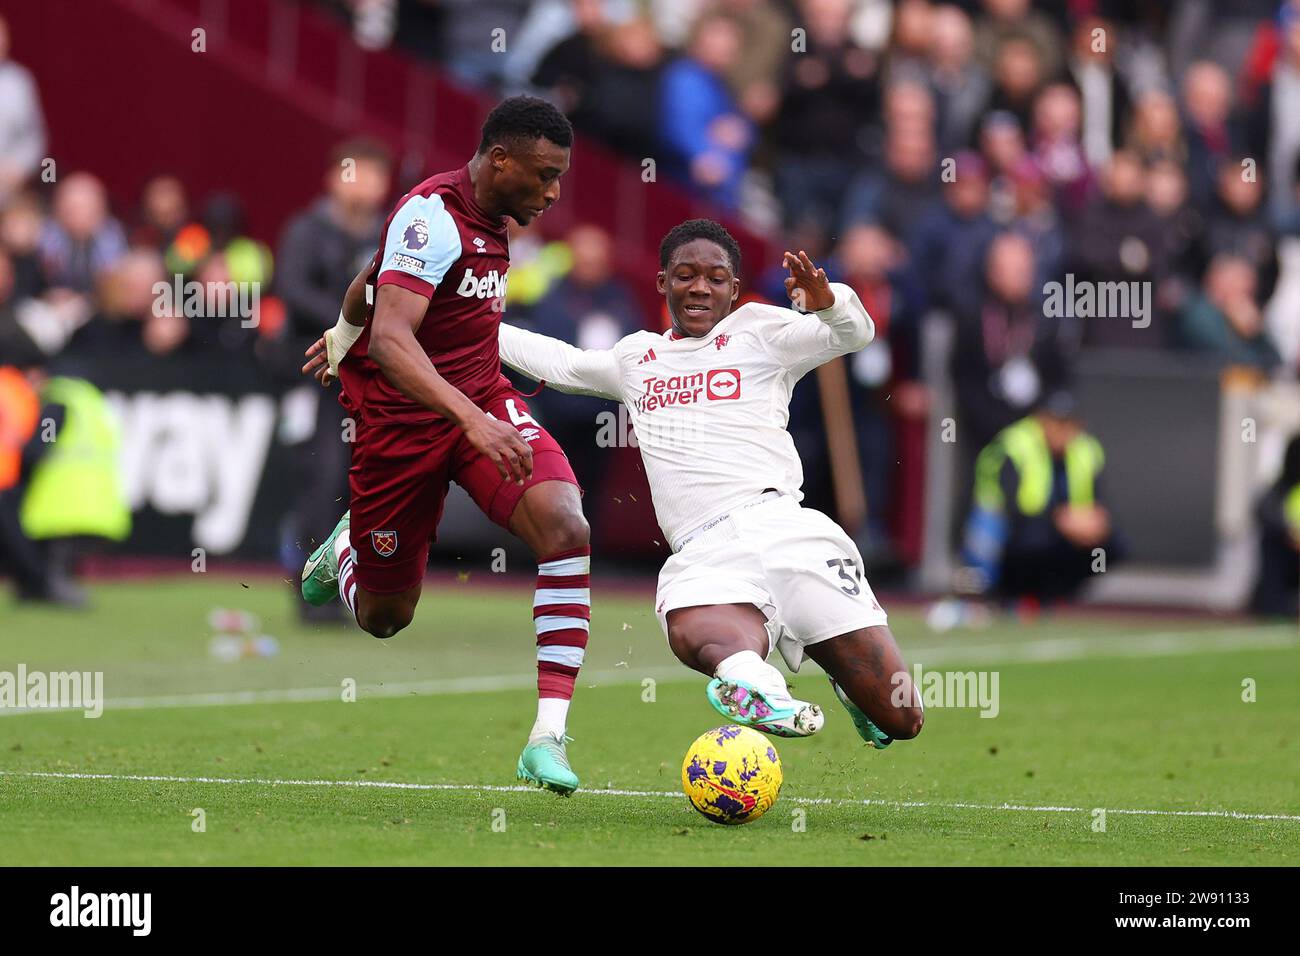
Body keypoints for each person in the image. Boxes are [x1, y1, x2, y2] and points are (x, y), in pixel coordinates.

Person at [496, 219, 925, 750]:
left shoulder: (761, 331)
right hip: (706, 547)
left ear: (734, 289)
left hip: (785, 529)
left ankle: (838, 675)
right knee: (690, 628)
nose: (700, 287)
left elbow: (855, 333)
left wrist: (829, 298)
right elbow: (562, 363)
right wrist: (472, 322)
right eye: (686, 275)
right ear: (662, 283)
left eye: (716, 278)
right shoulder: (637, 359)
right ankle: (756, 686)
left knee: (902, 717)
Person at [298, 97, 592, 795]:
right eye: (545, 176)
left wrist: (343, 331)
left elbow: (372, 281)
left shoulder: (489, 215)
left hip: (481, 403)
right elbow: (395, 341)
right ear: (500, 162)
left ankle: (546, 736)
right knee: (384, 619)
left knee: (565, 526)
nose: (554, 193)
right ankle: (345, 551)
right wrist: (470, 419)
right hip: (409, 427)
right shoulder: (431, 216)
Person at [959, 392, 1116, 606]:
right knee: (1009, 535)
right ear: (1041, 420)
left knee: (1110, 546)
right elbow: (1012, 507)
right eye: (1055, 422)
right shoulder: (1017, 443)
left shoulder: (1086, 449)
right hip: (1011, 525)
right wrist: (1062, 520)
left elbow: (1097, 502)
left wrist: (1093, 524)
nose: (1061, 430)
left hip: (1061, 530)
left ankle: (1057, 594)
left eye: (1067, 423)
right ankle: (990, 596)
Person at [1250, 433, 1300, 617]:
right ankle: (1272, 607)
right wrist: (1290, 534)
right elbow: (1265, 511)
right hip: (1286, 549)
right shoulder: (1282, 487)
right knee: (1273, 550)